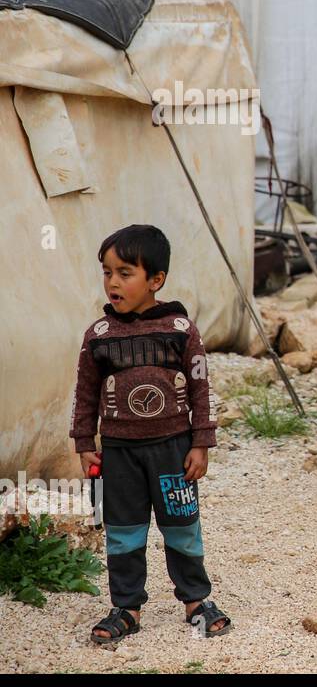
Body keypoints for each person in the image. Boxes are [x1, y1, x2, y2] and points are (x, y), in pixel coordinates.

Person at [70, 224, 231, 644]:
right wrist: (85, 442)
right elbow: (85, 392)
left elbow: (200, 387)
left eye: (125, 273)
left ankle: (196, 602)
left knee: (181, 525)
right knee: (123, 529)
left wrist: (201, 443)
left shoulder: (180, 329)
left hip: (173, 449)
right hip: (119, 452)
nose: (112, 282)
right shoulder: (99, 337)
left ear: (156, 280)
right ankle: (126, 607)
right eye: (106, 272)